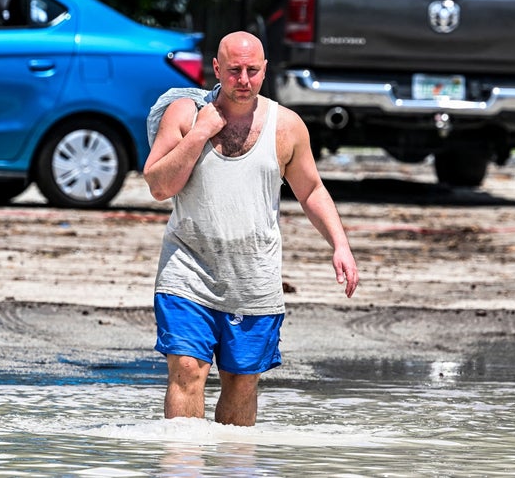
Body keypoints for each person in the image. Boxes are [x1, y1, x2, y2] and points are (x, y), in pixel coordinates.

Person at [143, 30, 359, 427]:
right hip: (188, 269)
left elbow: (310, 189)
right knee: (188, 369)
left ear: (265, 71)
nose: (243, 80)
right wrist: (201, 133)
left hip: (253, 276)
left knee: (241, 383)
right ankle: (182, 467)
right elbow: (159, 186)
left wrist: (339, 245)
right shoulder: (185, 115)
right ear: (216, 69)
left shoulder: (287, 126)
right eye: (234, 70)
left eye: (252, 71)